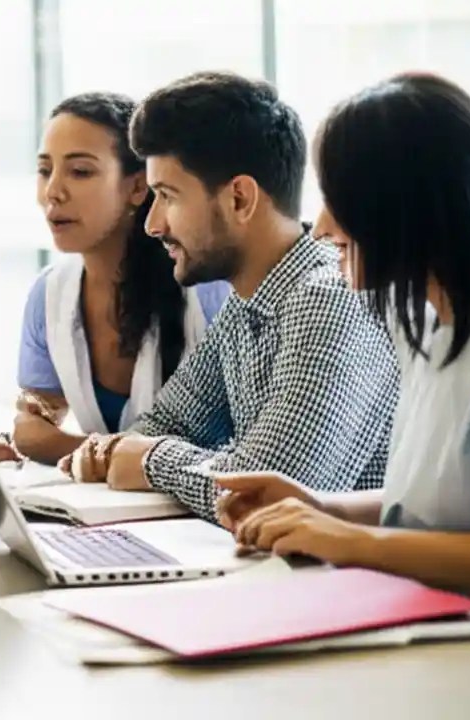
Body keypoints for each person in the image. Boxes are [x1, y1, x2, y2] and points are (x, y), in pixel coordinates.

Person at [215, 73, 470, 604]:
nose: (322, 226)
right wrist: (326, 510)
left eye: (338, 198)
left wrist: (359, 542)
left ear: (405, 202)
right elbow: (435, 521)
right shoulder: (425, 325)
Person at [64, 71, 400, 522]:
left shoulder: (327, 299)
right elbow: (166, 425)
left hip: (351, 582)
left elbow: (267, 491)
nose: (152, 224)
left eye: (167, 196)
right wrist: (130, 452)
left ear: (240, 199)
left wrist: (151, 460)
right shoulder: (248, 303)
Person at [14, 92, 230, 466]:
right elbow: (35, 426)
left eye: (80, 171)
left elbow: (238, 450)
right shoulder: (49, 294)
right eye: (45, 170)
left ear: (137, 187)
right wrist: (19, 440)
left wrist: (71, 449)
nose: (53, 192)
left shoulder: (208, 289)